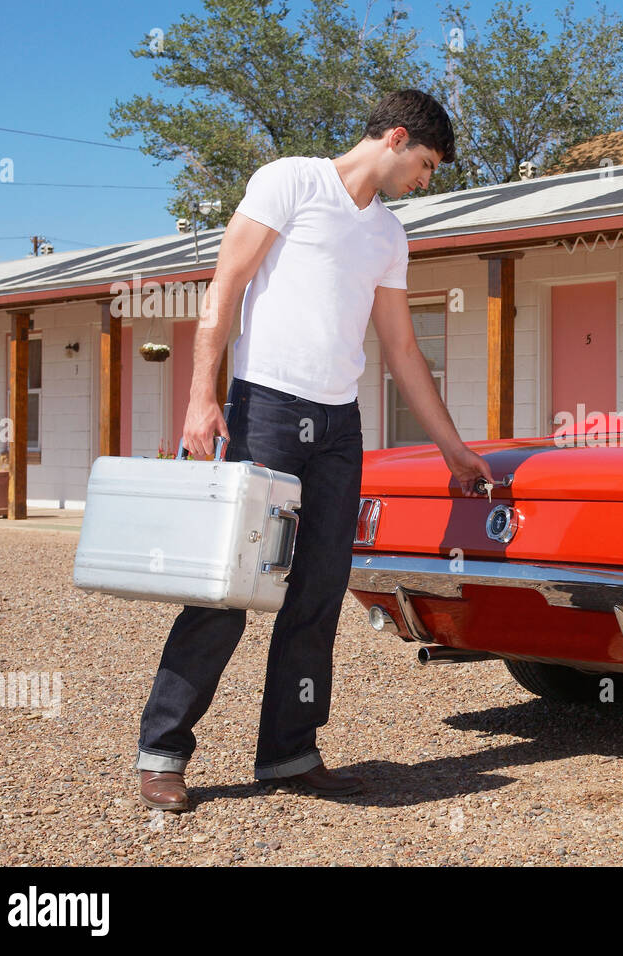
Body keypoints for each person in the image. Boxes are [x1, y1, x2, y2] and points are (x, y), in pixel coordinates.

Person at [135, 89, 493, 812]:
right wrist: (204, 397)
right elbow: (225, 289)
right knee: (230, 589)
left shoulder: (389, 234)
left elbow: (400, 350)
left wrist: (454, 449)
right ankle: (163, 751)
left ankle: (290, 752)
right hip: (264, 407)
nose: (425, 180)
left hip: (337, 426)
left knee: (319, 593)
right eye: (424, 164)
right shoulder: (289, 181)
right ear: (394, 139)